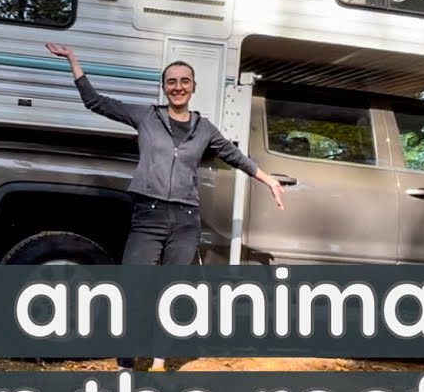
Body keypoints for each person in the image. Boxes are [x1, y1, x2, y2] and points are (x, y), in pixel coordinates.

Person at [46, 43, 285, 371]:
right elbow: (95, 102)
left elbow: (235, 157)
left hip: (186, 220)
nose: (178, 87)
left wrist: (268, 179)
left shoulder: (205, 129)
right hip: (148, 215)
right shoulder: (146, 116)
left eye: (184, 81)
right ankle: (125, 366)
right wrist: (74, 60)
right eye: (171, 81)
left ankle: (158, 362)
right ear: (164, 87)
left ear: (193, 87)